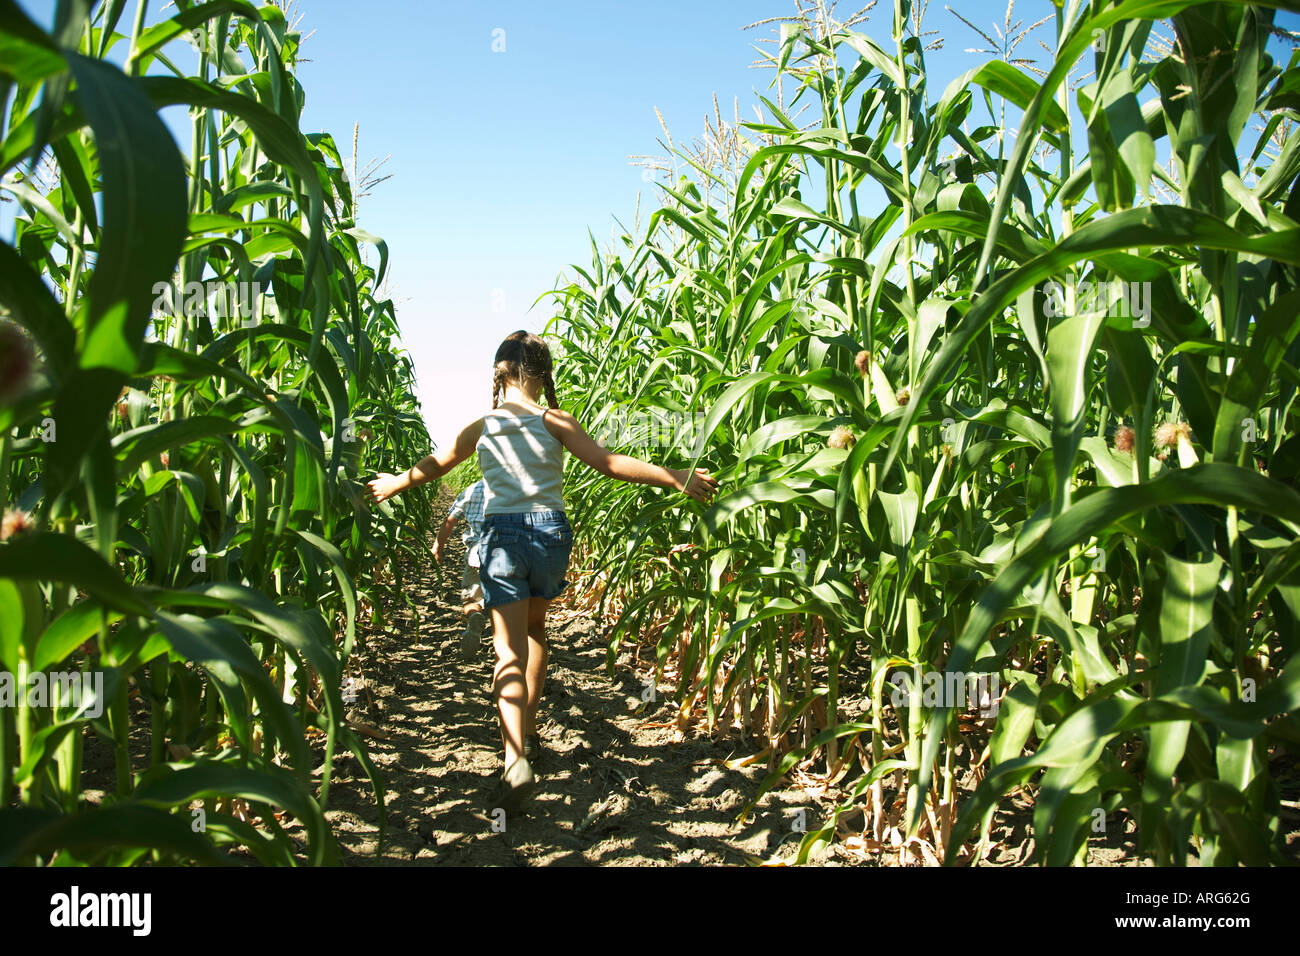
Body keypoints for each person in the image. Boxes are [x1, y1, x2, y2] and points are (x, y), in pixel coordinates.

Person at [367, 330, 717, 813]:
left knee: (505, 650)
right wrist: (676, 477)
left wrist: (394, 483)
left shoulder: (483, 426)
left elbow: (436, 465)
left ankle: (514, 759)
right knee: (535, 633)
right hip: (550, 534)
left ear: (500, 374)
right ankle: (529, 734)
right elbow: (609, 462)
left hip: (501, 537)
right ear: (541, 374)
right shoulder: (556, 421)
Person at [433, 477, 488, 657]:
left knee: (471, 599)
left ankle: (474, 616)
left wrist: (438, 547)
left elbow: (450, 521)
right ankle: (504, 637)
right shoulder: (510, 490)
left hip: (477, 554)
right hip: (506, 552)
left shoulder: (472, 491)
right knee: (505, 603)